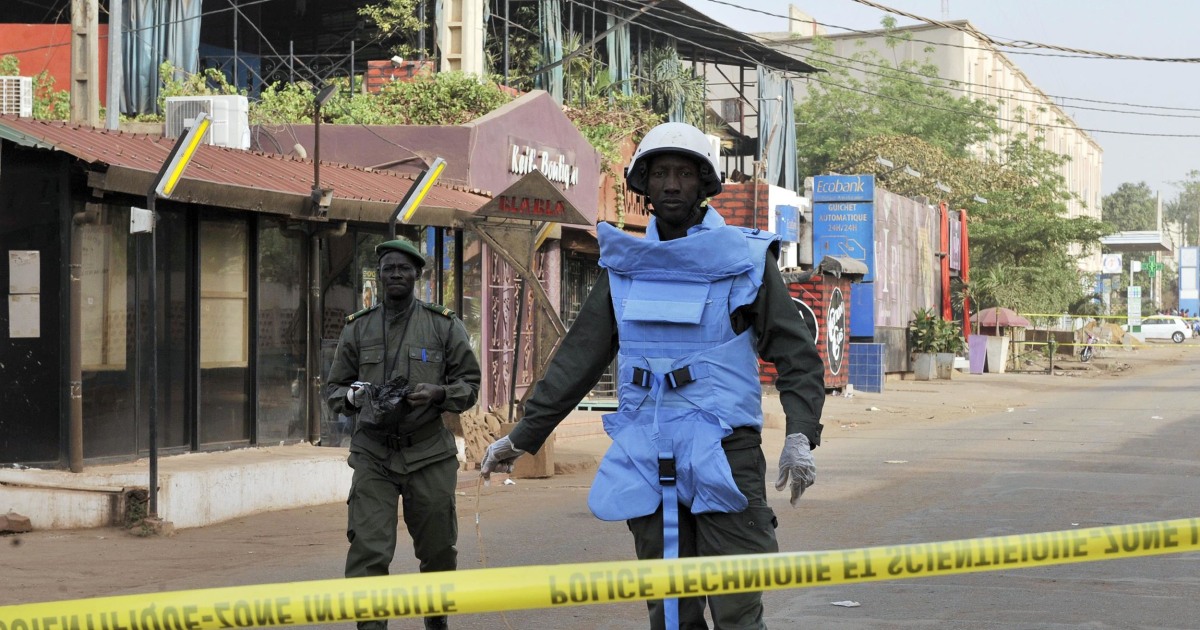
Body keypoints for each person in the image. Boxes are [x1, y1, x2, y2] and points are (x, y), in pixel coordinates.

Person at [482, 122, 826, 630]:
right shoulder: (625, 266)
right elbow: (579, 359)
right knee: (669, 612)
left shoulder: (746, 260)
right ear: (642, 185)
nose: (670, 185)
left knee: (736, 610)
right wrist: (523, 435)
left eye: (683, 173)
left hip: (726, 451)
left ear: (704, 184)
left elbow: (797, 356)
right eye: (659, 173)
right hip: (647, 451)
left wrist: (800, 432)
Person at [326, 238, 481, 630]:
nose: (396, 274)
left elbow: (470, 384)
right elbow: (334, 390)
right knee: (368, 550)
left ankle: (436, 620)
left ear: (417, 275)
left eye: (404, 268)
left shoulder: (442, 325)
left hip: (428, 452)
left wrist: (440, 393)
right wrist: (355, 397)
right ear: (378, 276)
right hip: (373, 454)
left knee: (439, 551)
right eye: (388, 268)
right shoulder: (357, 328)